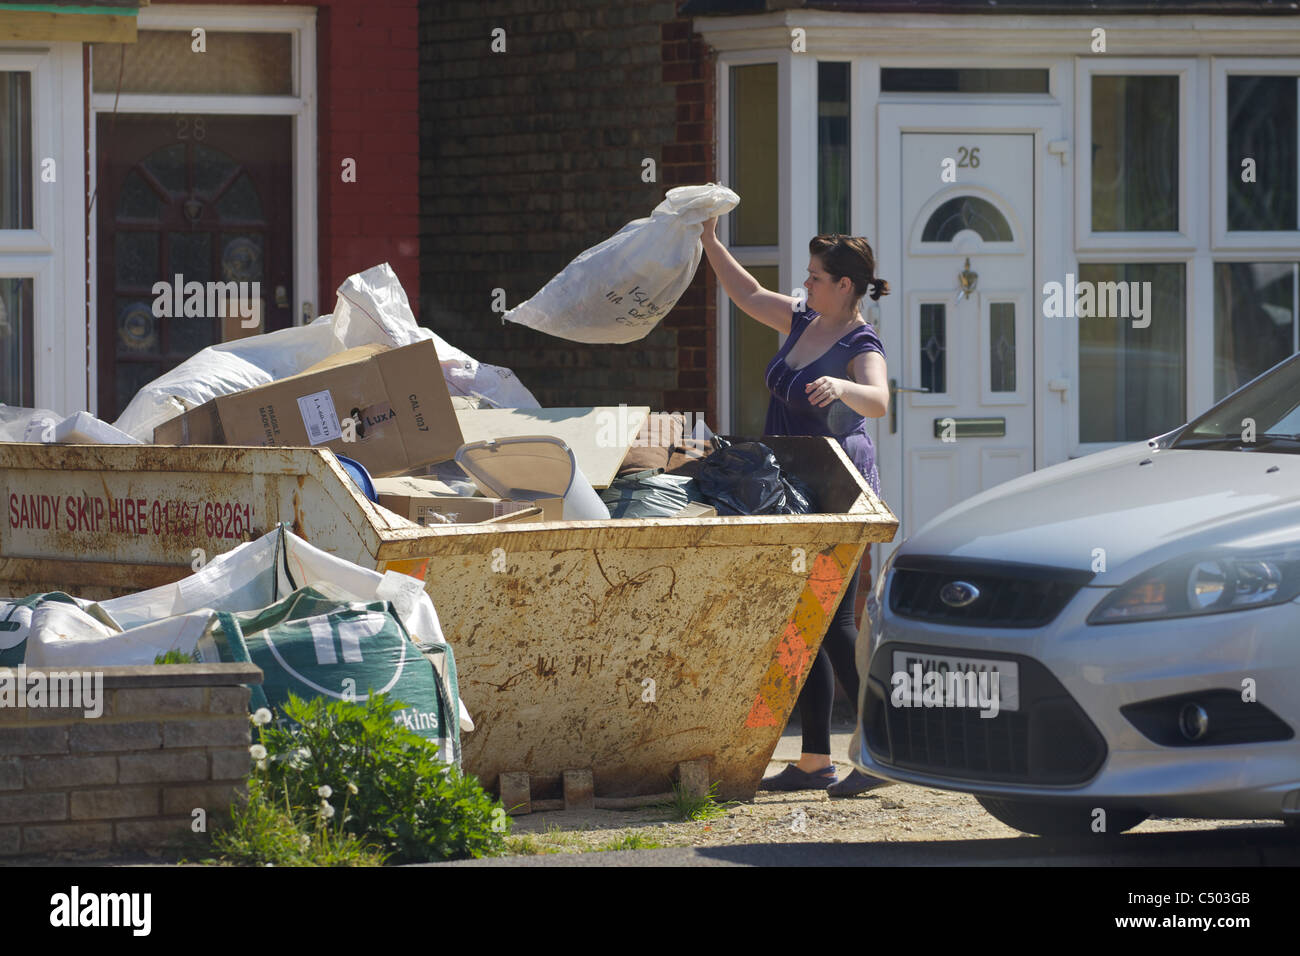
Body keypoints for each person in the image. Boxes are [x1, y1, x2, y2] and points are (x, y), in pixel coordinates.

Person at [700, 217, 891, 797]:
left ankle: (883, 748)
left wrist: (842, 390)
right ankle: (814, 759)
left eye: (815, 277)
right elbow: (749, 294)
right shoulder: (803, 319)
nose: (804, 284)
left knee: (834, 624)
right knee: (799, 620)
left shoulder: (861, 344)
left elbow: (879, 399)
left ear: (845, 286)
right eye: (807, 276)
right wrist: (710, 240)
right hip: (793, 489)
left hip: (838, 491)